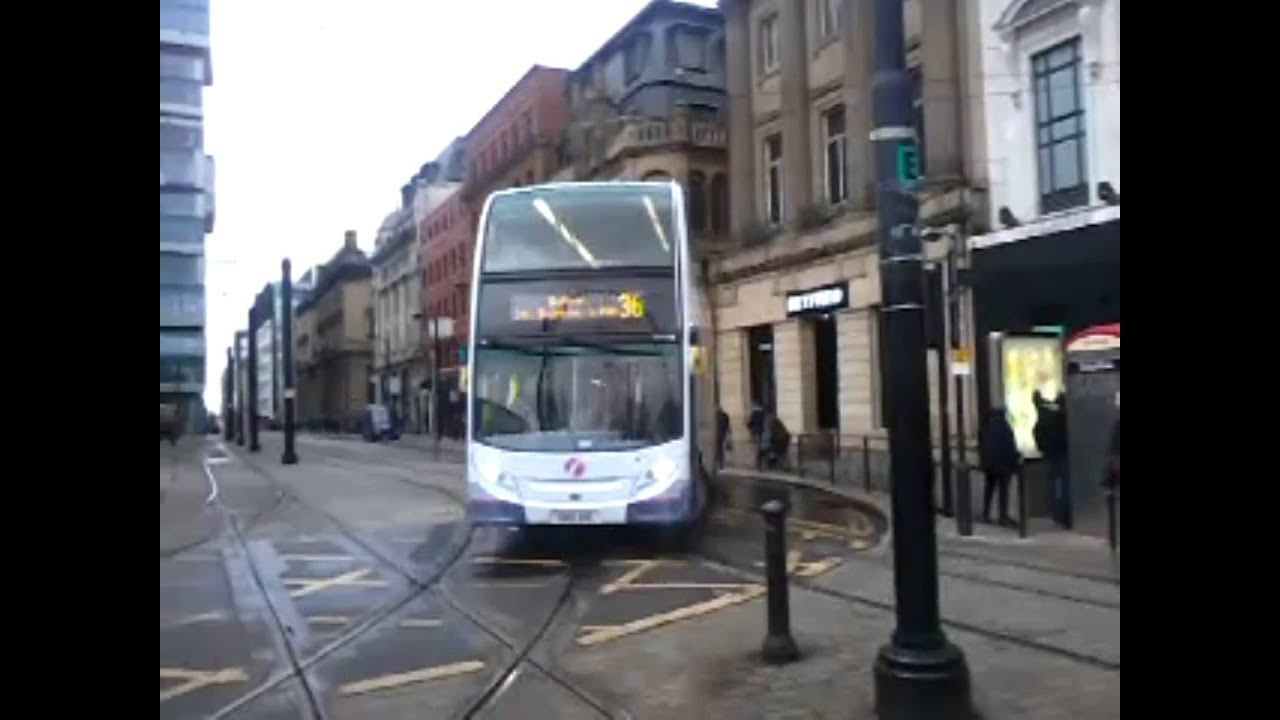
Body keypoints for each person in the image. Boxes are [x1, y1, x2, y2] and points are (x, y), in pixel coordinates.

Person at [1033, 390, 1071, 528]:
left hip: (1050, 456)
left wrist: (1043, 449)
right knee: (1064, 486)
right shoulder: (1065, 418)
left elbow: (1038, 434)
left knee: (1055, 487)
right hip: (1063, 455)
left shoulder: (1047, 417)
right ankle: (1064, 515)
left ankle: (1058, 515)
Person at [979, 405, 1020, 527]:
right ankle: (1003, 516)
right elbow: (1010, 447)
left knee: (989, 489)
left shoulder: (986, 428)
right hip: (1003, 465)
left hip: (990, 465)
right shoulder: (1005, 428)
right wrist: (1014, 461)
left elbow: (982, 447)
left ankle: (986, 514)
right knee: (1003, 491)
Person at [746, 404, 767, 470]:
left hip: (755, 432)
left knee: (757, 449)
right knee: (760, 448)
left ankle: (758, 465)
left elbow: (750, 422)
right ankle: (761, 465)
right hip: (761, 432)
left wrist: (749, 426)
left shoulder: (754, 413)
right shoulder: (763, 413)